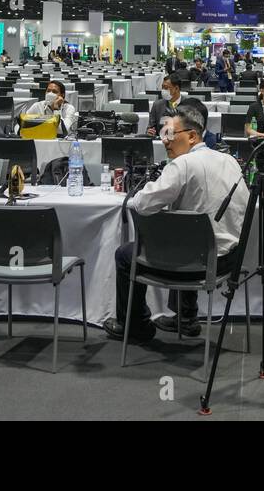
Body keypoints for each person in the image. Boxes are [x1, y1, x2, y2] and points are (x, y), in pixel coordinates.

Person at [102, 106, 247, 342]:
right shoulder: (230, 160)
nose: (166, 141)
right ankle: (186, 318)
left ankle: (135, 326)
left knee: (126, 254)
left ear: (192, 136)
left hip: (196, 263)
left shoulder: (182, 165)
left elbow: (143, 205)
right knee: (185, 236)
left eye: (171, 134)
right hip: (230, 259)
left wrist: (142, 191)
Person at [147, 71, 188, 136]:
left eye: (166, 88)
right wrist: (150, 131)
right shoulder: (157, 105)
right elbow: (151, 127)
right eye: (162, 87)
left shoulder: (188, 104)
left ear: (176, 88)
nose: (163, 90)